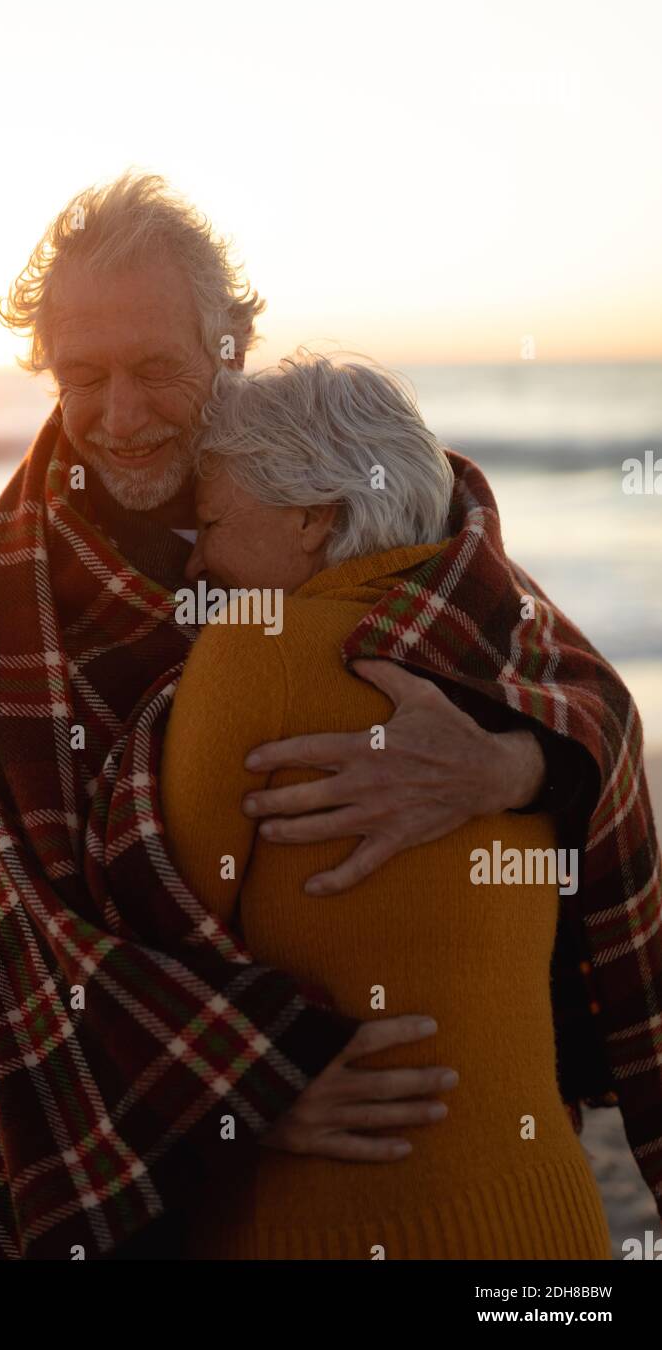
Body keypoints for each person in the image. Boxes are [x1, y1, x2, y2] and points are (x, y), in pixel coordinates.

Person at [0, 173, 662, 1259]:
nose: (119, 417)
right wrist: (245, 1084)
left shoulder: (354, 479)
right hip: (140, 1079)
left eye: (156, 370)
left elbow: (578, 689)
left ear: (228, 347)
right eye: (82, 376)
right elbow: (27, 906)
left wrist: (504, 766)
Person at [161, 355, 612, 1259]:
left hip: (355, 1227)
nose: (200, 560)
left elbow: (160, 930)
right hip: (555, 1224)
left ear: (313, 518)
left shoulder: (258, 650)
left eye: (211, 522)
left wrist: (246, 1090)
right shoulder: (524, 662)